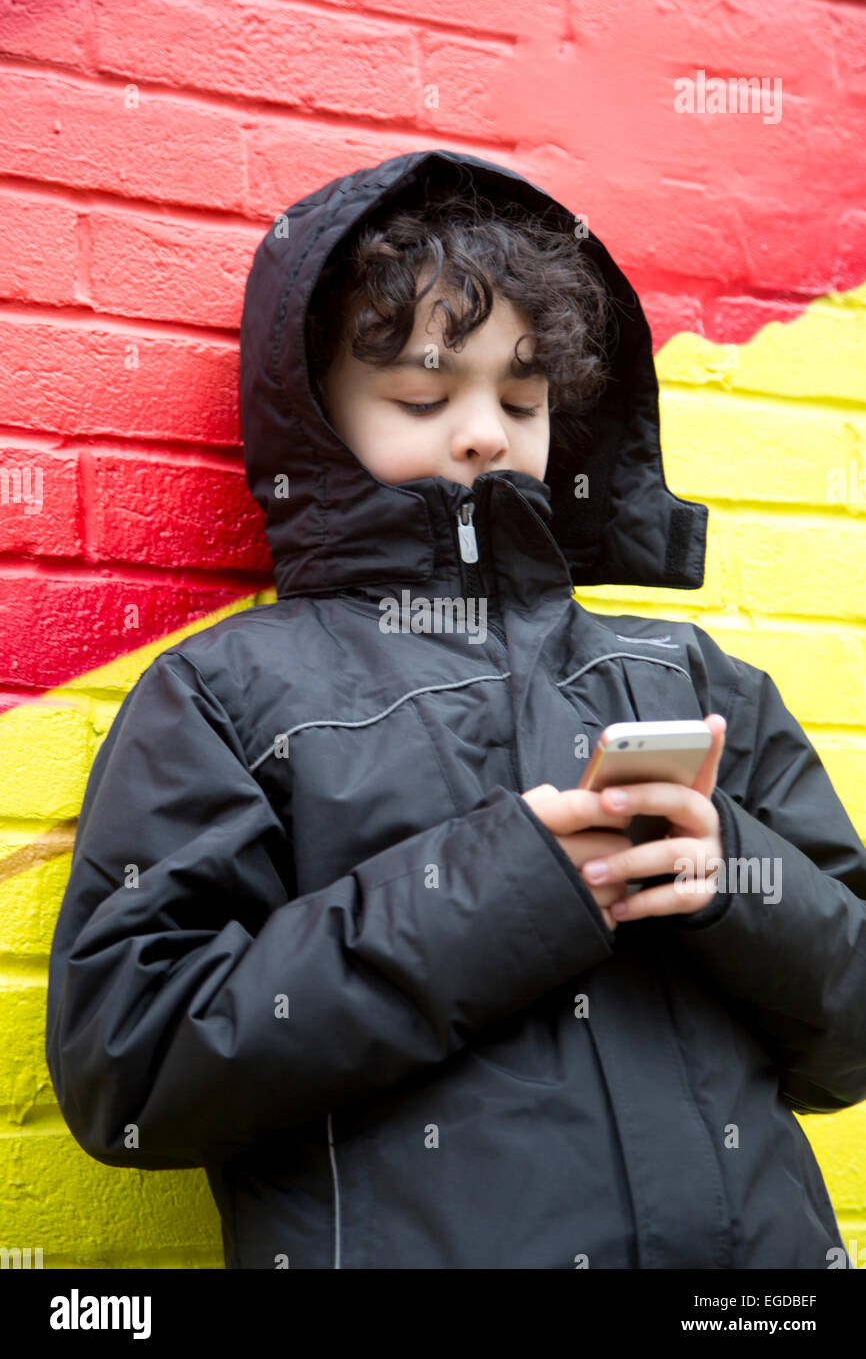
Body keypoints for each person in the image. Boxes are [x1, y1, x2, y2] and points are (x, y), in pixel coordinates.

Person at [45, 149, 866, 1269]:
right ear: (318, 416)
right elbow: (129, 1070)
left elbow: (849, 1040)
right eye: (425, 395)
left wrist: (735, 882)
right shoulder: (223, 696)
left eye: (520, 395)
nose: (483, 430)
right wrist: (502, 888)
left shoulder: (695, 679)